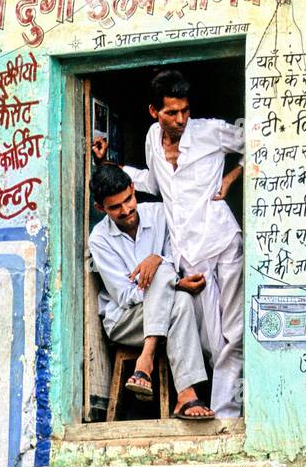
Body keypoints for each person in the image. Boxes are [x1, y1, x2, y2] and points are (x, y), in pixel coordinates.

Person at [93, 68, 245, 417]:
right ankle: (204, 400)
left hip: (221, 239)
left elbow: (259, 140)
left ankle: (225, 415)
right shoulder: (151, 139)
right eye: (171, 113)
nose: (180, 120)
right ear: (154, 112)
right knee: (210, 338)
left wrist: (232, 176)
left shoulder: (209, 131)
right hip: (188, 250)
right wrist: (112, 167)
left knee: (234, 333)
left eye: (185, 110)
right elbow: (155, 184)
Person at [88, 163, 215, 420]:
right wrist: (166, 278)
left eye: (128, 200)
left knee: (175, 292)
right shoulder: (99, 239)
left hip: (162, 313)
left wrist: (156, 262)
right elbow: (124, 297)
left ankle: (158, 374)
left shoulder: (159, 214)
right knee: (173, 288)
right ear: (100, 208)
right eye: (115, 207)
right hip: (125, 320)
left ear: (134, 189)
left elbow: (176, 260)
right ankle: (186, 394)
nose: (126, 210)